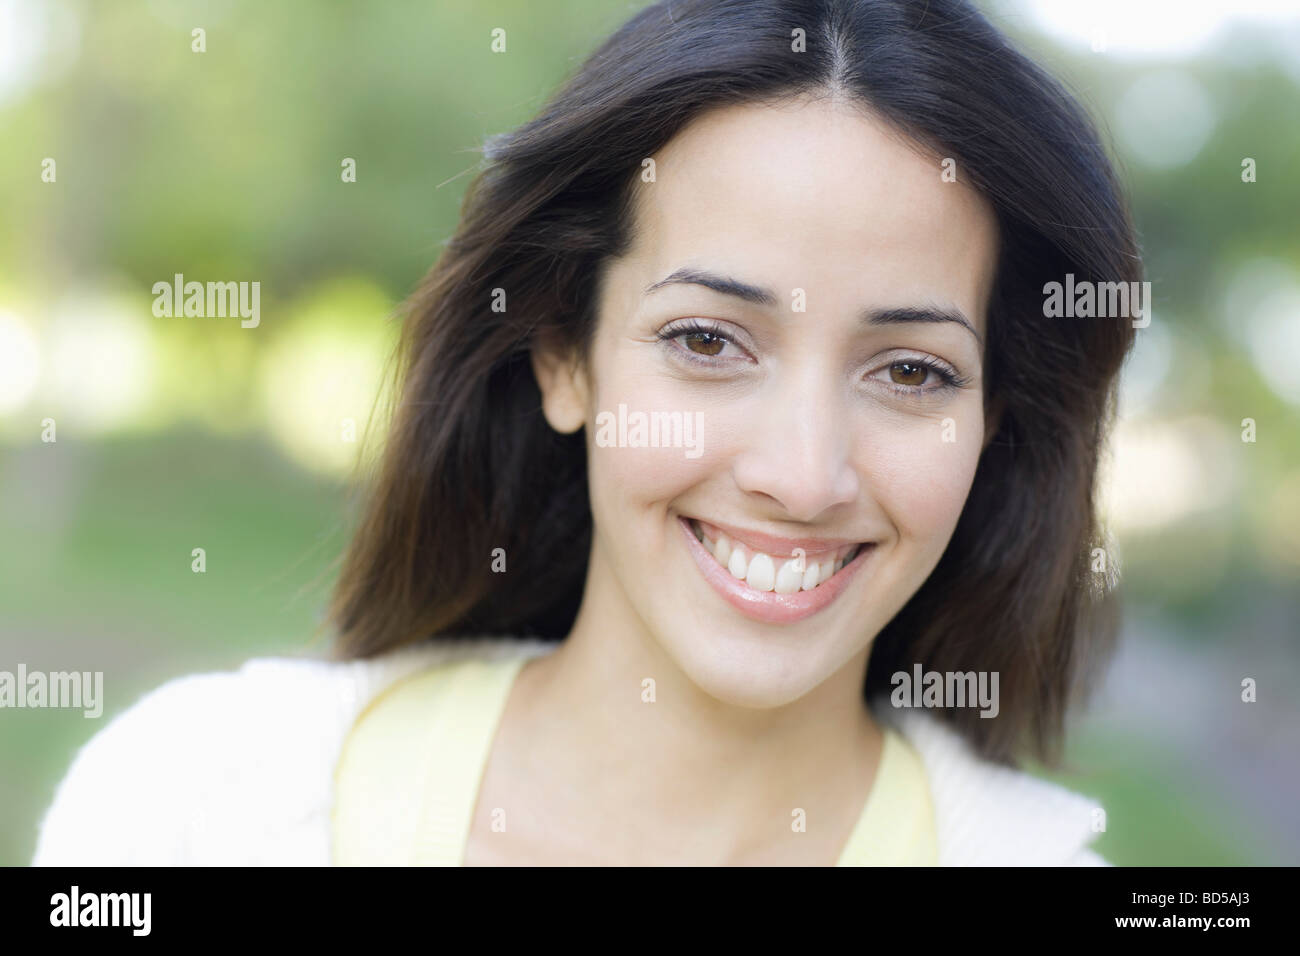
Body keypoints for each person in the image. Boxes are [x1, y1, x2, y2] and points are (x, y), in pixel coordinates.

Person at [33, 0, 1141, 866]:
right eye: (708, 341)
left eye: (910, 370)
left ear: (995, 420)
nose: (803, 475)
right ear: (562, 351)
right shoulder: (184, 805)